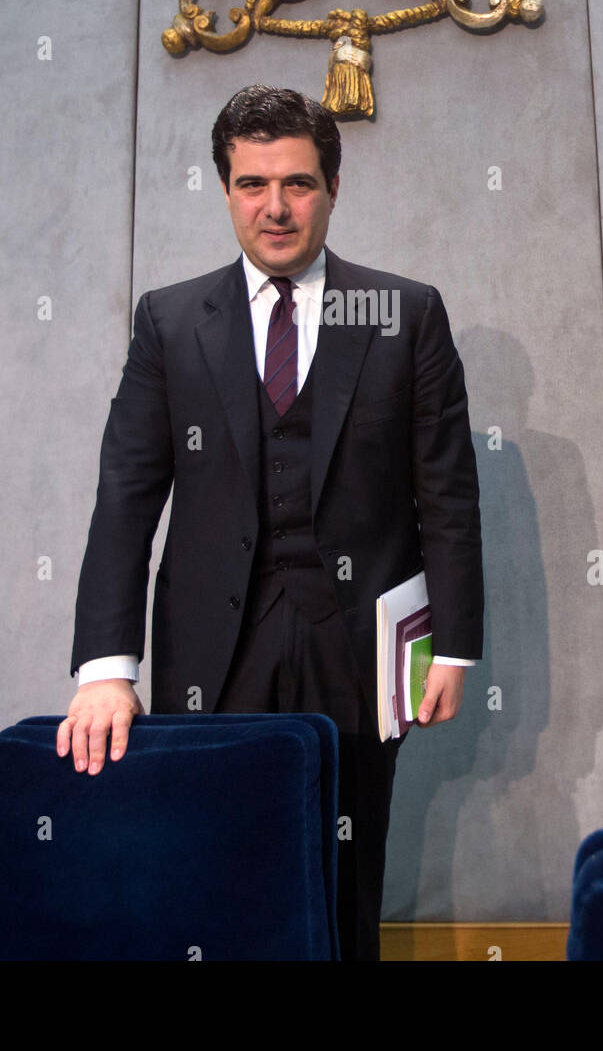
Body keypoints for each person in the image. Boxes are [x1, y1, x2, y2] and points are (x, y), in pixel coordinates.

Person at [58, 84, 484, 960]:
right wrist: (106, 666)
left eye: (296, 183)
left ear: (332, 186)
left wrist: (455, 646)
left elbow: (446, 491)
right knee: (211, 877)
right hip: (214, 646)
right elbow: (126, 495)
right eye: (252, 184)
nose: (275, 207)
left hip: (360, 647)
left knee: (345, 883)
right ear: (225, 190)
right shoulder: (171, 322)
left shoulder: (406, 312)